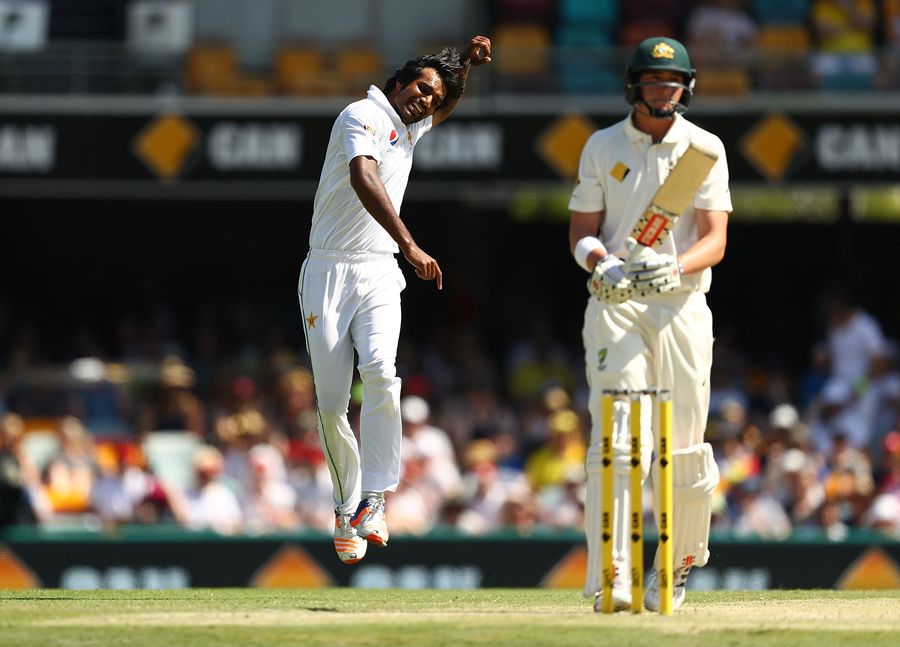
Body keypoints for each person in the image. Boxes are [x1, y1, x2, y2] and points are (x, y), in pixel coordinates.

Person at [298, 36, 492, 565]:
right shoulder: (360, 113)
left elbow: (449, 102)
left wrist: (465, 67)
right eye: (421, 89)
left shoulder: (410, 125)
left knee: (383, 372)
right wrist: (410, 243)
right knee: (334, 404)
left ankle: (375, 499)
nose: (428, 101)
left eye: (433, 96)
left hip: (379, 272)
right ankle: (345, 507)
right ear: (399, 82)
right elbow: (364, 177)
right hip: (329, 271)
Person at [567, 37, 732, 612]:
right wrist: (600, 261)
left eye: (674, 83)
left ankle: (676, 566)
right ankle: (612, 574)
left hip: (682, 304)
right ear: (634, 86)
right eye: (654, 82)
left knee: (682, 447)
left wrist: (674, 265)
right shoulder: (602, 146)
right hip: (617, 303)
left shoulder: (704, 149)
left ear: (687, 87)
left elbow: (715, 239)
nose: (664, 92)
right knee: (617, 434)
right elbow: (582, 230)